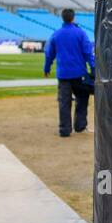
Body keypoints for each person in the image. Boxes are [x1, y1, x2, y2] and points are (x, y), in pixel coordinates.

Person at [43, 8, 94, 137]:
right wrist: (93, 68)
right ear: (73, 18)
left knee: (64, 103)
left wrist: (47, 68)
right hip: (79, 74)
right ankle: (80, 126)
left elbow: (49, 54)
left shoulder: (56, 34)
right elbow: (88, 52)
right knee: (82, 99)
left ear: (62, 18)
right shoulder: (81, 33)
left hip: (63, 74)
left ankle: (65, 130)